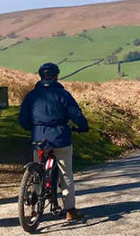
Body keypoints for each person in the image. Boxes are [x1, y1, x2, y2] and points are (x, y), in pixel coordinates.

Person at [18, 62, 89, 221]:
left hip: (39, 138)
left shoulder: (31, 95)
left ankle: (35, 210)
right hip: (60, 137)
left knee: (37, 172)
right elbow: (75, 114)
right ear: (56, 76)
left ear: (40, 76)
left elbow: (22, 119)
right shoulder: (63, 94)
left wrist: (34, 128)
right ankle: (70, 210)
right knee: (66, 174)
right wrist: (83, 127)